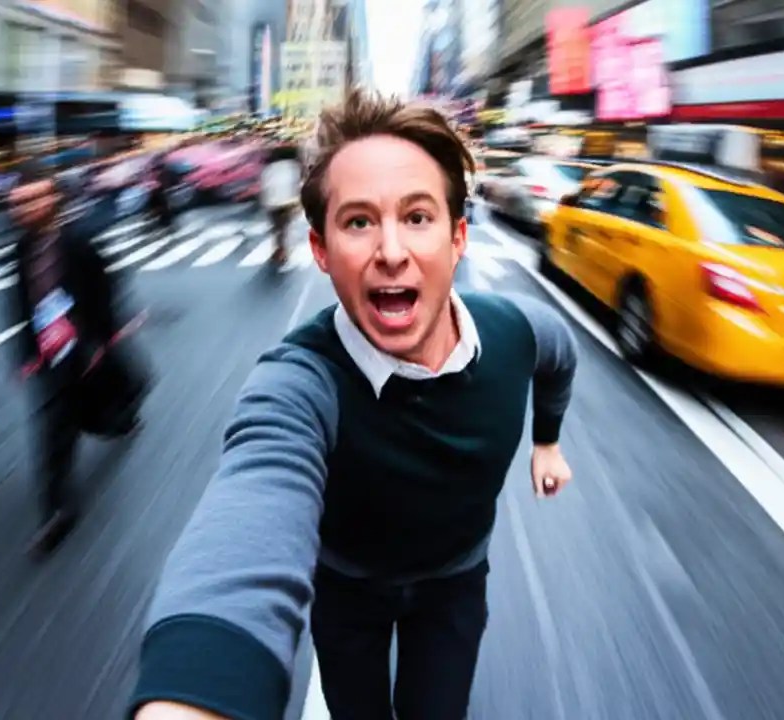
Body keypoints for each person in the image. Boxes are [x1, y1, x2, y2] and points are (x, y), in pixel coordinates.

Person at [130, 89, 578, 720]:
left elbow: (560, 359)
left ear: (457, 239)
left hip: (455, 584)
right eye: (359, 221)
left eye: (417, 218)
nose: (390, 251)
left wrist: (548, 440)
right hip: (346, 593)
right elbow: (251, 504)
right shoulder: (298, 382)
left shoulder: (519, 331)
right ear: (321, 250)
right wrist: (196, 689)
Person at [5, 162, 146, 557]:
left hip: (88, 347)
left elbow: (106, 286)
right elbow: (19, 305)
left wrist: (105, 338)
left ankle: (124, 419)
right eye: (18, 203)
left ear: (53, 200)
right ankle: (57, 512)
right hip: (52, 357)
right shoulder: (21, 249)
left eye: (34, 199)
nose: (26, 209)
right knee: (54, 431)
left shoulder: (78, 242)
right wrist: (26, 355)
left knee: (116, 397)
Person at [258, 141, 302, 264]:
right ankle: (281, 251)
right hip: (287, 202)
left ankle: (278, 250)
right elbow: (295, 185)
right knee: (283, 228)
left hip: (272, 202)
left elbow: (265, 186)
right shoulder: (293, 166)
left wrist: (264, 201)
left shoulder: (269, 168)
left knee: (277, 228)